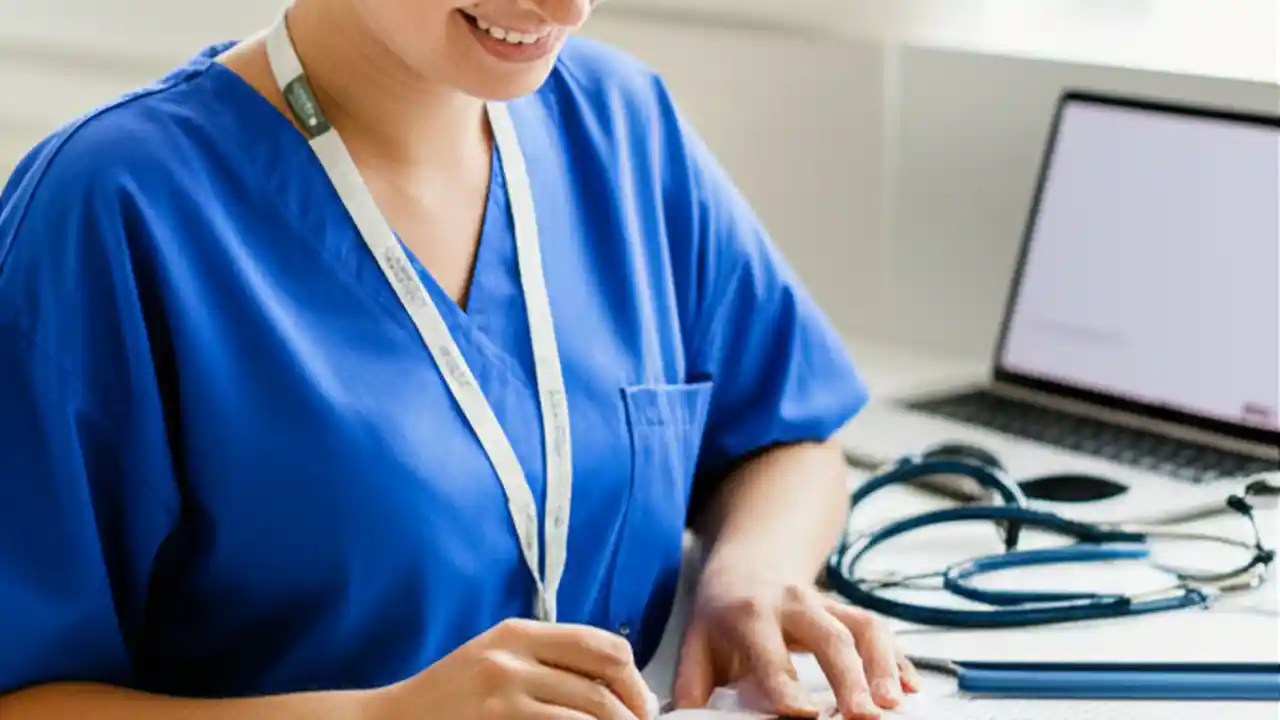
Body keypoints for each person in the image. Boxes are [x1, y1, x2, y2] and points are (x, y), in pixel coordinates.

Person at [0, 0, 919, 718]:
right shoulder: (109, 212)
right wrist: (382, 719)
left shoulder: (621, 129)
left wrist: (752, 571)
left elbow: (787, 435)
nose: (565, 8)